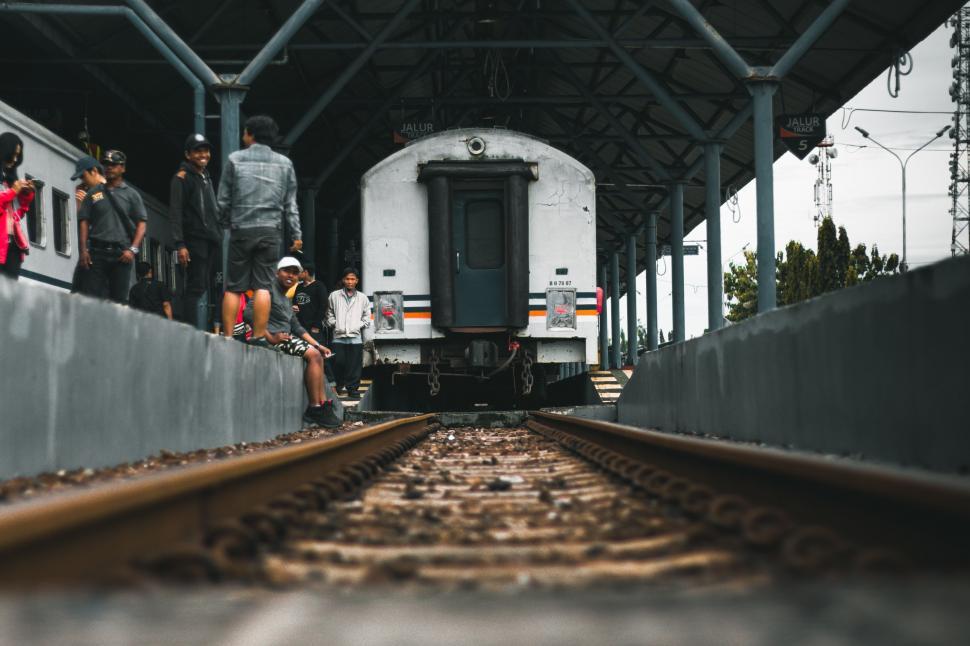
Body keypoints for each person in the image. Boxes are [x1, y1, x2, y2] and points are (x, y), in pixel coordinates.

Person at [217, 115, 302, 345]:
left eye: (245, 132)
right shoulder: (284, 163)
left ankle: (228, 336)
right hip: (270, 231)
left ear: (251, 134)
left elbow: (223, 199)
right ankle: (258, 336)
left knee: (234, 287)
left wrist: (224, 223)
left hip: (241, 229)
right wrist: (296, 235)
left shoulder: (235, 159)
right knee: (263, 286)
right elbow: (290, 204)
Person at [243, 257, 339, 428]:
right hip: (276, 338)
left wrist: (318, 345)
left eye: (295, 273)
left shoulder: (286, 298)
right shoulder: (267, 290)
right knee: (314, 356)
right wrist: (270, 337)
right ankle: (315, 407)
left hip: (288, 337)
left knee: (318, 354)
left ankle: (323, 405)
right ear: (277, 273)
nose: (291, 276)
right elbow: (249, 314)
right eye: (286, 271)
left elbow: (297, 327)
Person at [73, 151, 148, 303]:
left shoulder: (132, 195)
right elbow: (84, 221)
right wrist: (83, 251)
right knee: (92, 299)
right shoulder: (93, 193)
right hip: (96, 254)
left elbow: (142, 223)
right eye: (106, 164)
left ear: (123, 168)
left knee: (118, 301)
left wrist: (133, 249)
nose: (109, 167)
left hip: (121, 255)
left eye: (113, 164)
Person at [170, 133, 221, 329]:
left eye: (205, 150)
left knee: (208, 285)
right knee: (195, 286)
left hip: (211, 239)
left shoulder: (205, 177)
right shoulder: (181, 178)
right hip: (195, 239)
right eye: (197, 151)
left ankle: (207, 327)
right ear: (188, 154)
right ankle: (189, 329)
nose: (203, 155)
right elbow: (176, 212)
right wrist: (180, 244)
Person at [326, 267, 372, 399]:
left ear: (357, 281)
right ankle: (339, 386)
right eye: (347, 279)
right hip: (338, 336)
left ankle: (353, 389)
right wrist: (335, 324)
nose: (350, 282)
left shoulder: (362, 298)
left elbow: (367, 317)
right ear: (343, 280)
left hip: (355, 337)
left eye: (352, 279)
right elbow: (329, 313)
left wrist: (358, 325)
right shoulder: (334, 296)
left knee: (354, 365)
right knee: (338, 363)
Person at [0, 133, 34, 280]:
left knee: (10, 291)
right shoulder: (10, 187)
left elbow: (19, 214)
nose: (14, 160)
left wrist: (26, 194)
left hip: (13, 246)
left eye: (17, 156)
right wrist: (13, 191)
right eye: (12, 155)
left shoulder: (10, 180)